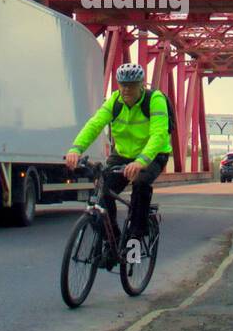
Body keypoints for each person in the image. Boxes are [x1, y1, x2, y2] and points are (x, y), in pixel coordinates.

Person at [65, 63, 171, 241]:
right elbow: (95, 124)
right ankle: (112, 239)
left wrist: (140, 162)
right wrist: (76, 148)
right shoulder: (115, 101)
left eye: (131, 84)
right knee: (103, 190)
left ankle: (136, 236)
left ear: (141, 84)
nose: (126, 89)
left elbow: (159, 135)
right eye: (122, 84)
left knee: (141, 183)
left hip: (153, 154)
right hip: (122, 154)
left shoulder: (155, 99)